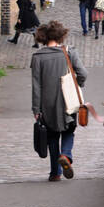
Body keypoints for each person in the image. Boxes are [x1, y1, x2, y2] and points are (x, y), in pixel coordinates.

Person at [31, 21, 86, 181]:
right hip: (68, 101)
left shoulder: (37, 58)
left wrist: (36, 109)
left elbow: (36, 86)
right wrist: (79, 83)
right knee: (69, 130)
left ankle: (55, 173)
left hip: (47, 103)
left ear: (42, 37)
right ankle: (66, 155)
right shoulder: (69, 52)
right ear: (61, 36)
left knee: (52, 137)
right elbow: (83, 73)